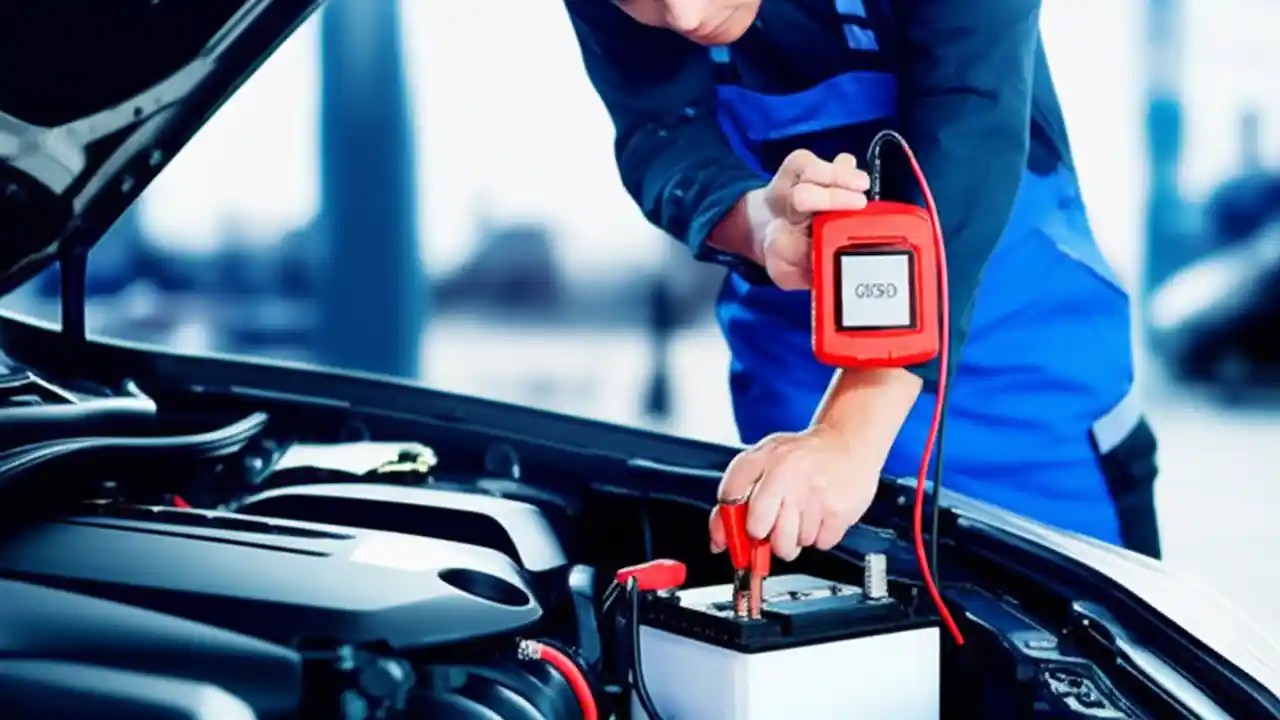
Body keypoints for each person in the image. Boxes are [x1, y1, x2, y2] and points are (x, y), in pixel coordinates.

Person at [562, 0, 1161, 561]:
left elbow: (971, 125)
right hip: (795, 375)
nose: (682, 15)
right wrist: (758, 223)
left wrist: (849, 430)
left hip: (1020, 382)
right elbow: (660, 131)